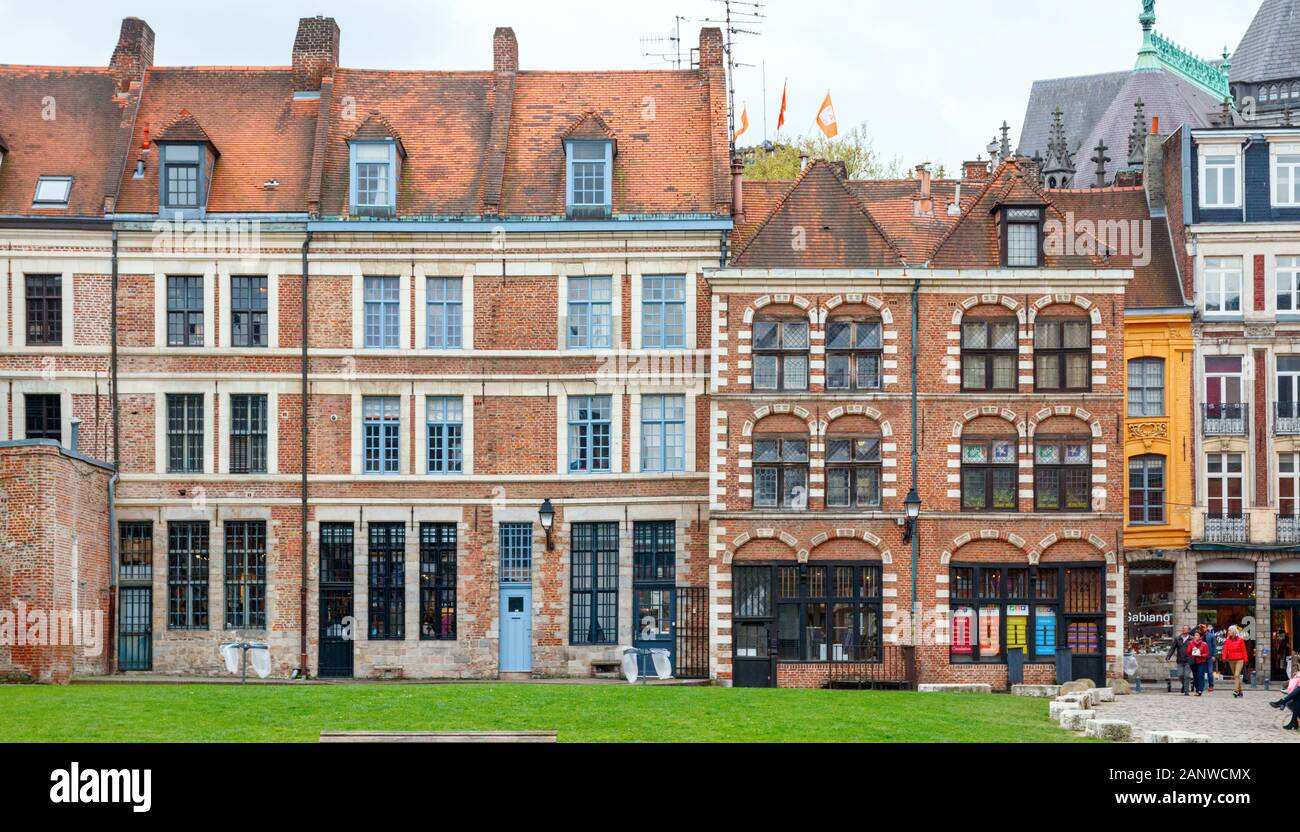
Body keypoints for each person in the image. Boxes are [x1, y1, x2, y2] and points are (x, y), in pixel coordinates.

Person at [1222, 625, 1249, 698]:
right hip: (1231, 660)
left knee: (1237, 675)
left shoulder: (1240, 640)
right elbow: (1225, 650)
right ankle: (1240, 691)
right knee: (1236, 676)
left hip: (1240, 660)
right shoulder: (1227, 641)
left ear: (1234, 631)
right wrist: (1224, 657)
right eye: (1228, 631)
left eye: (1230, 631)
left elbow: (1244, 650)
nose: (1229, 632)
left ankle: (1236, 691)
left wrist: (1245, 659)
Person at [1168, 625, 1193, 695]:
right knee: (1180, 675)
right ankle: (1185, 686)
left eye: (1185, 629)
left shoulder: (1191, 639)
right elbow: (1172, 648)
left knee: (1187, 676)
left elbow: (1195, 648)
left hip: (1188, 660)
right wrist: (1168, 656)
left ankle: (1186, 691)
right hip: (1180, 660)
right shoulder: (1177, 638)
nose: (1184, 630)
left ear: (1188, 630)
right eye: (1183, 628)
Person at [1187, 630, 1211, 696]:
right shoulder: (1191, 643)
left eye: (1197, 635)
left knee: (1200, 675)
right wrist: (1192, 649)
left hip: (1201, 661)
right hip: (1193, 661)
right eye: (1195, 635)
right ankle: (1197, 689)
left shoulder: (1204, 644)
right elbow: (1188, 652)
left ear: (1200, 637)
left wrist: (1201, 655)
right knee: (1195, 676)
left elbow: (1207, 654)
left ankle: (1200, 690)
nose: (1195, 636)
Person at [1201, 623, 1218, 692]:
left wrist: (1214, 655)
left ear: (1207, 628)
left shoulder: (1211, 636)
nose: (1203, 629)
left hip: (1209, 656)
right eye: (1202, 627)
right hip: (1201, 656)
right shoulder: (1199, 635)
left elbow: (1214, 646)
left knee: (1210, 672)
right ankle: (1201, 686)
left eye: (1204, 627)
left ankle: (1211, 686)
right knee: (1201, 672)